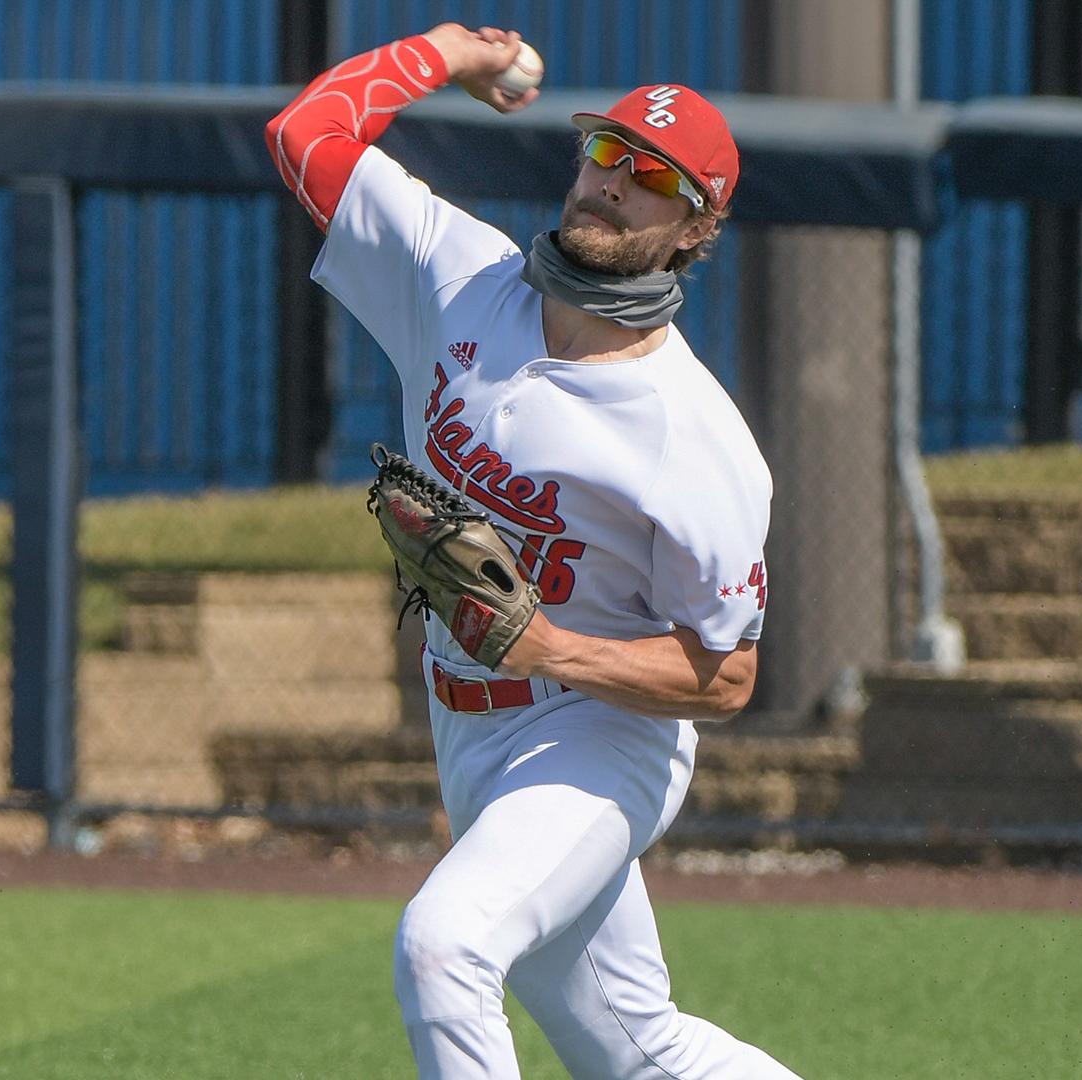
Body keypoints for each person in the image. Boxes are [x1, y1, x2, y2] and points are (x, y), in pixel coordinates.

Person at [267, 23, 798, 1080]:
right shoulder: (462, 282)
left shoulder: (691, 435)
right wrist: (448, 51)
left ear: (698, 228)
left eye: (655, 177)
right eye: (608, 153)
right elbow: (305, 134)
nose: (616, 184)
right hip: (465, 729)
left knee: (444, 946)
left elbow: (728, 674)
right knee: (636, 1053)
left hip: (598, 736)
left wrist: (549, 649)